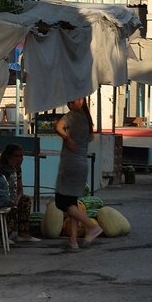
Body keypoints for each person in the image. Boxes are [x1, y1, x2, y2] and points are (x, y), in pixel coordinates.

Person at [54, 98, 102, 250]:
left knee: (61, 202)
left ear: (81, 100)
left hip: (70, 165)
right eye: (67, 102)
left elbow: (57, 127)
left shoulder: (72, 116)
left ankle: (92, 226)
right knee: (72, 202)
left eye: (72, 101)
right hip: (82, 165)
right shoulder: (87, 119)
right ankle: (73, 240)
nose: (69, 104)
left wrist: (67, 138)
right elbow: (91, 137)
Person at [0, 143, 37, 241]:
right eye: (16, 156)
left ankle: (23, 234)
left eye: (21, 156)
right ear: (8, 156)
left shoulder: (17, 169)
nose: (20, 159)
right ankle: (2, 236)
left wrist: (17, 198)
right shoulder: (0, 169)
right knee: (11, 207)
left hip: (11, 198)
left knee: (25, 200)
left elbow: (20, 188)